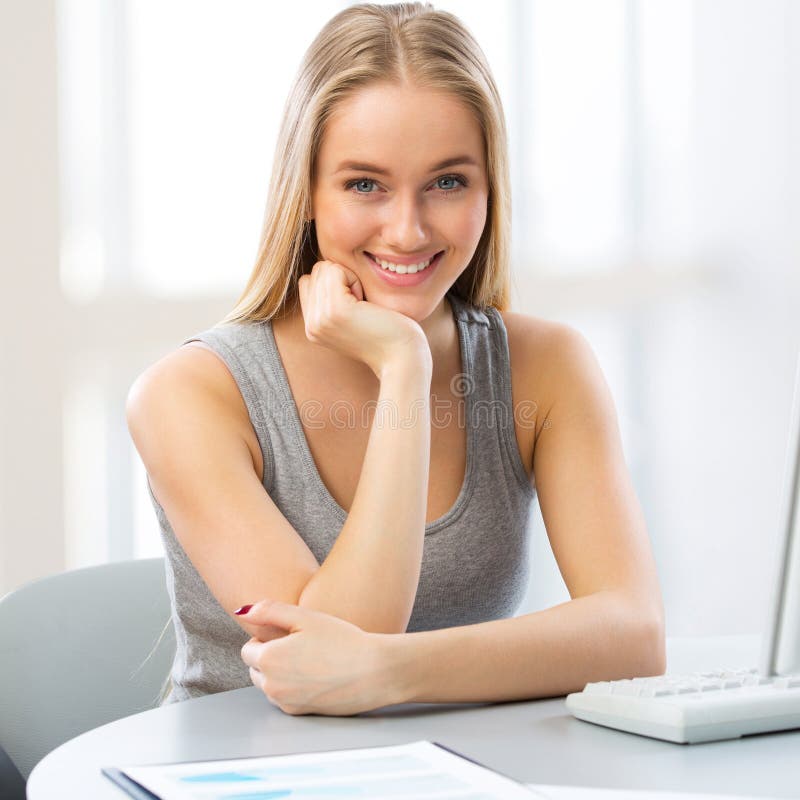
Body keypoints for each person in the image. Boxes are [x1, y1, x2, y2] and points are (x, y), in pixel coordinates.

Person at [126, 2, 665, 716]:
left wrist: (396, 671)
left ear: (489, 191)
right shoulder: (189, 394)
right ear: (307, 194)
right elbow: (329, 665)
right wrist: (405, 369)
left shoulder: (548, 366)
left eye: (448, 181)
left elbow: (634, 635)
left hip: (457, 773)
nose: (407, 231)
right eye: (364, 185)